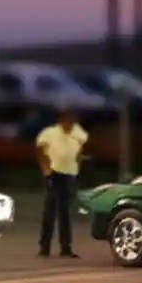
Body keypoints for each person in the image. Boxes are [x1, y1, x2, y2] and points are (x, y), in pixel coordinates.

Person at [35, 108, 88, 257]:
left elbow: (81, 149)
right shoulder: (50, 133)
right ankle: (44, 246)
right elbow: (40, 150)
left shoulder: (77, 133)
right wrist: (46, 170)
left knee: (65, 211)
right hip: (54, 173)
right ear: (61, 120)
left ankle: (66, 247)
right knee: (50, 209)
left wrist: (78, 165)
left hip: (69, 174)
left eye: (72, 121)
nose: (70, 124)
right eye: (68, 120)